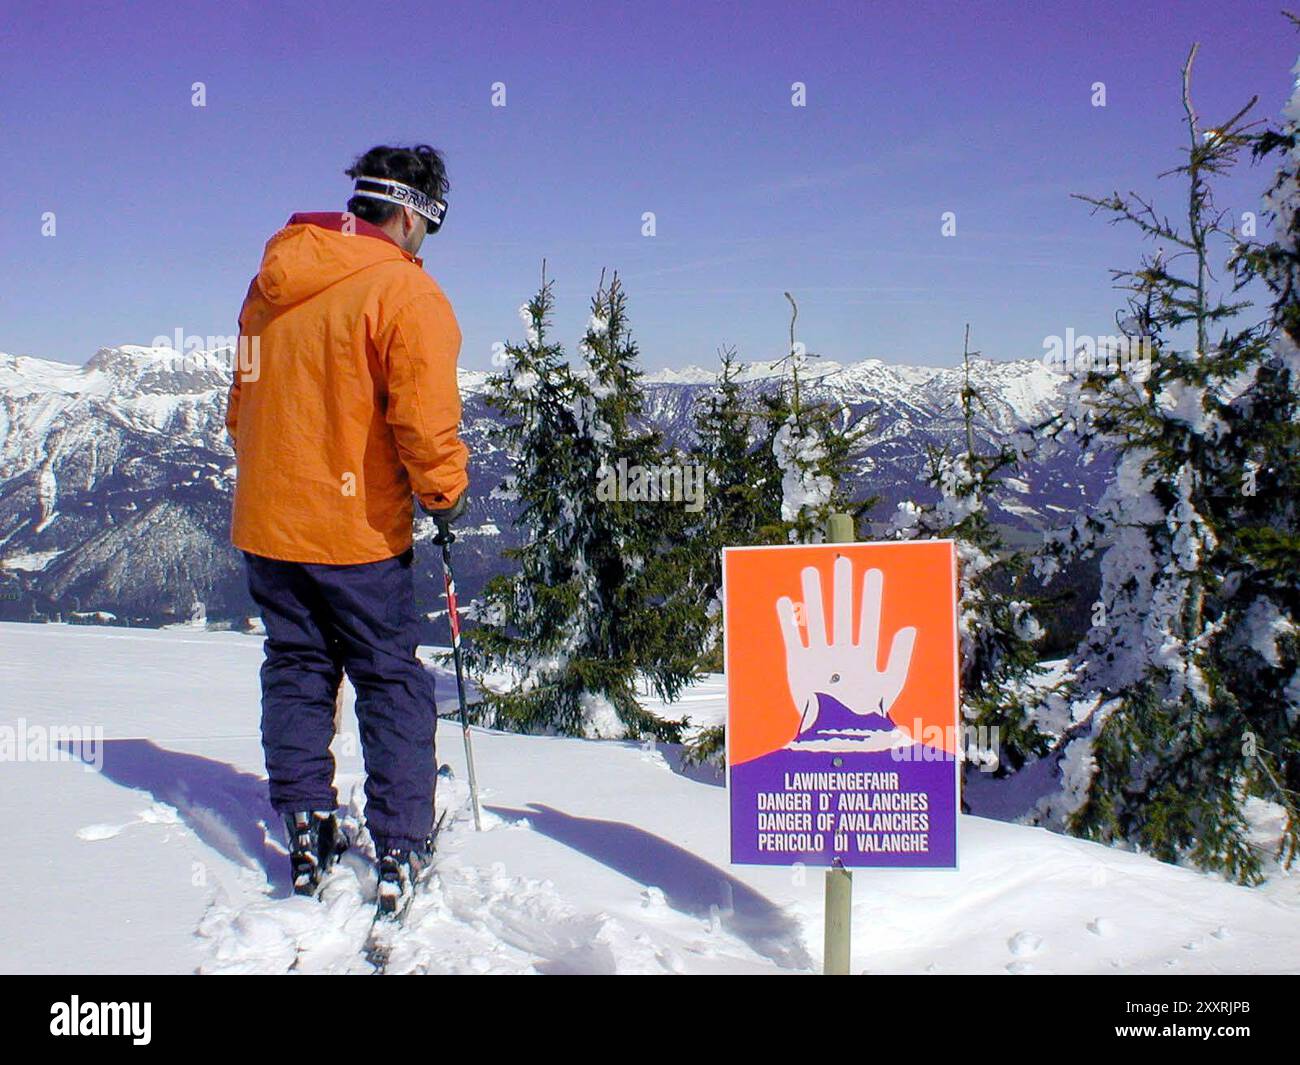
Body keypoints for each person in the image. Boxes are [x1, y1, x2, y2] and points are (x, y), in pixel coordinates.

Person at [225, 144, 470, 912]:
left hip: (269, 523)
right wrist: (445, 496)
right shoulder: (404, 293)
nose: (424, 240)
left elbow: (243, 405)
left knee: (296, 665)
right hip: (356, 531)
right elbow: (424, 423)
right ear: (408, 213)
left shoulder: (272, 283)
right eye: (429, 223)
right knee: (389, 676)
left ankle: (307, 825)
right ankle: (401, 842)